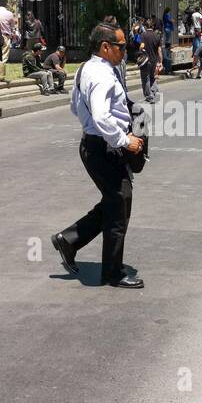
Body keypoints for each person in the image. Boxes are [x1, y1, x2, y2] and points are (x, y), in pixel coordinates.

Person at [51, 22, 145, 289]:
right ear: (106, 47)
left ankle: (69, 240)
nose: (125, 51)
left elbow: (74, 106)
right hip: (105, 148)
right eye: (121, 46)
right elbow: (102, 115)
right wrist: (124, 140)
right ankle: (112, 273)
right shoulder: (102, 75)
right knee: (119, 204)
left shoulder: (86, 69)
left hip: (93, 145)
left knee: (115, 201)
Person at [138, 17, 163, 103]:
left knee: (146, 78)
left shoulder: (143, 35)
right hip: (154, 60)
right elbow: (159, 50)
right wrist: (160, 61)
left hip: (146, 60)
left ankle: (149, 96)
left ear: (145, 27)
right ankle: (153, 91)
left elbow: (141, 46)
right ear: (152, 26)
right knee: (152, 76)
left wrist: (140, 53)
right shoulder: (157, 36)